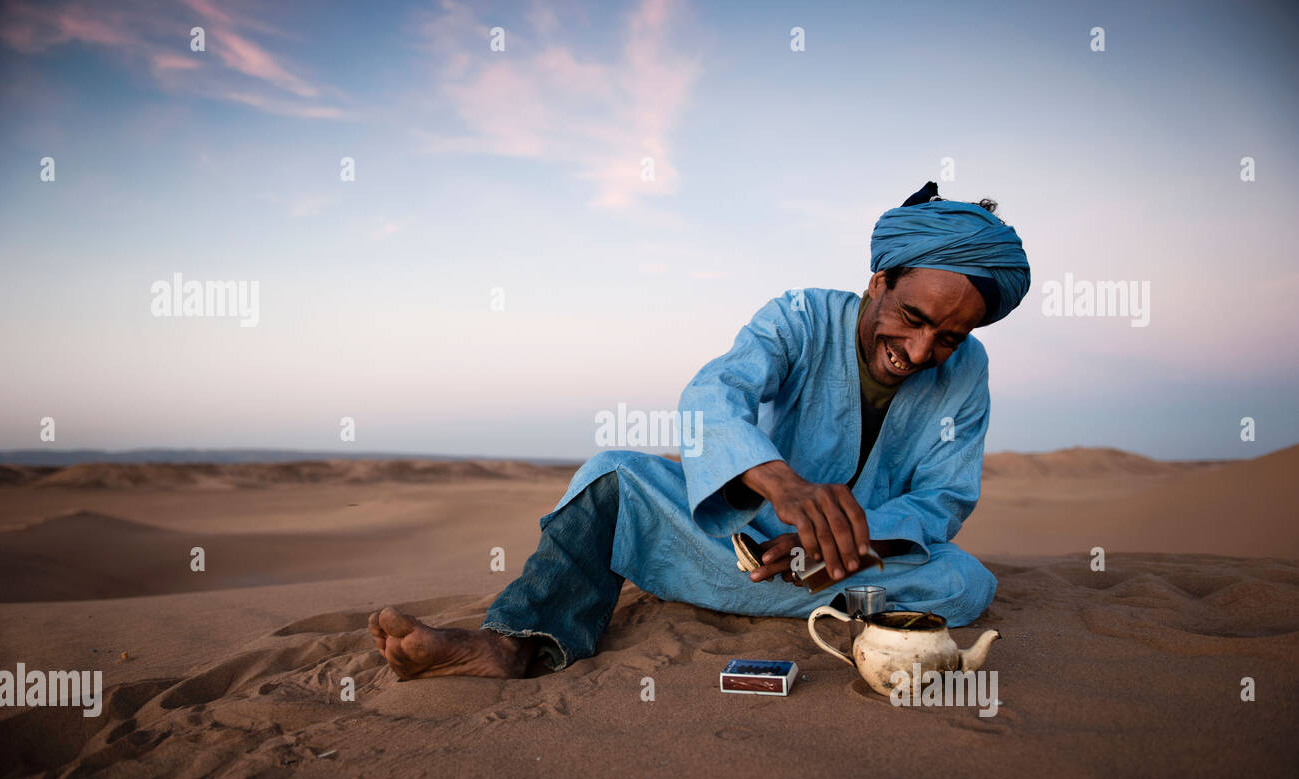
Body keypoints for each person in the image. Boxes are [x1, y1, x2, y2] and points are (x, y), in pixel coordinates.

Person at [369, 181, 1031, 679]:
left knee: (964, 581)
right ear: (879, 279)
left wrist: (856, 542)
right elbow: (713, 395)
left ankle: (783, 593)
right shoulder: (798, 317)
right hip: (738, 537)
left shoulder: (967, 372)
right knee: (612, 474)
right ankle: (513, 644)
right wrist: (781, 485)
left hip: (843, 565)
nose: (918, 351)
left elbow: (944, 498)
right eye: (911, 317)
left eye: (946, 337)